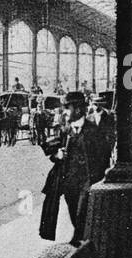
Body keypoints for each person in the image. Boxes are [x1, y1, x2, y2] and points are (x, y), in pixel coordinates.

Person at [39, 91, 110, 244]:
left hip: (87, 181)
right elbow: (54, 154)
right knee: (73, 211)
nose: (64, 112)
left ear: (77, 110)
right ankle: (82, 240)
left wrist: (96, 179)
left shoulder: (94, 131)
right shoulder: (65, 131)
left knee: (81, 213)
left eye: (67, 108)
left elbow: (104, 157)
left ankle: (78, 240)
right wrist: (57, 155)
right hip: (69, 181)